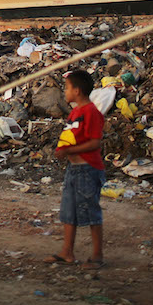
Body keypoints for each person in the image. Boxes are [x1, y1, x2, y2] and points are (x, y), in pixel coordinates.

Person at [45, 69, 105, 269]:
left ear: (77, 91)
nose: (65, 92)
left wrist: (70, 149)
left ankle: (97, 255)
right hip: (74, 168)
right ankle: (67, 252)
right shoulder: (75, 112)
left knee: (90, 211)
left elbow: (95, 143)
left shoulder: (91, 113)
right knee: (68, 211)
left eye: (67, 88)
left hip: (88, 169)